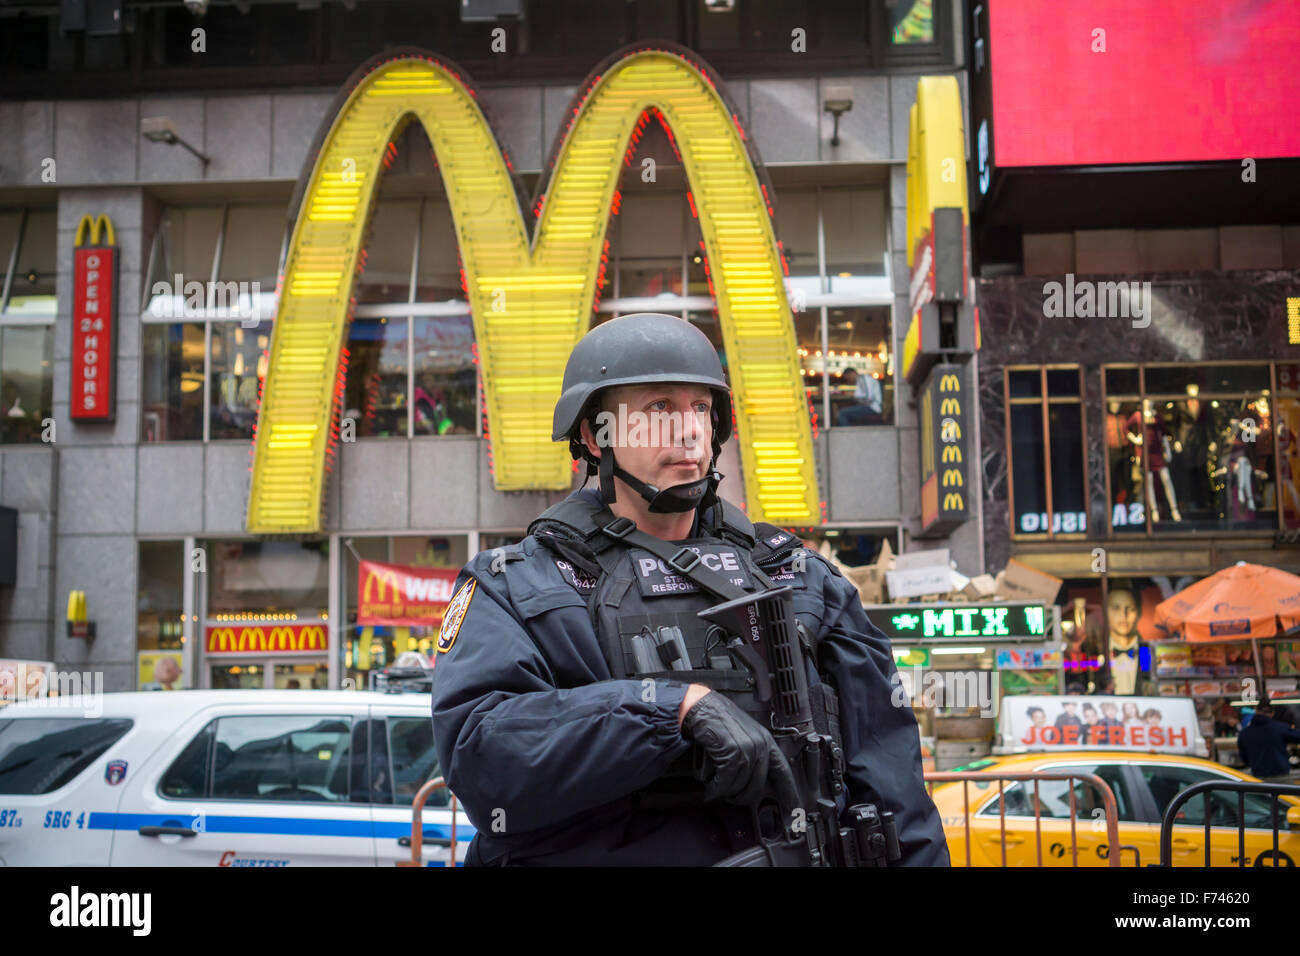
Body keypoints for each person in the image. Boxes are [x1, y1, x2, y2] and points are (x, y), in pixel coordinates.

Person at [429, 313, 948, 867]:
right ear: (592, 433)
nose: (689, 430)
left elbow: (895, 791)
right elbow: (481, 753)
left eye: (701, 408)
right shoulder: (514, 583)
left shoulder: (799, 576)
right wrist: (669, 711)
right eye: (659, 408)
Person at [1237, 699, 1300, 782]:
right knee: (1288, 795)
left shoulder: (1244, 733)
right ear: (1272, 713)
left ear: (1256, 710)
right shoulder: (1280, 728)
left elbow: (1244, 758)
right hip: (1281, 779)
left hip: (1258, 780)